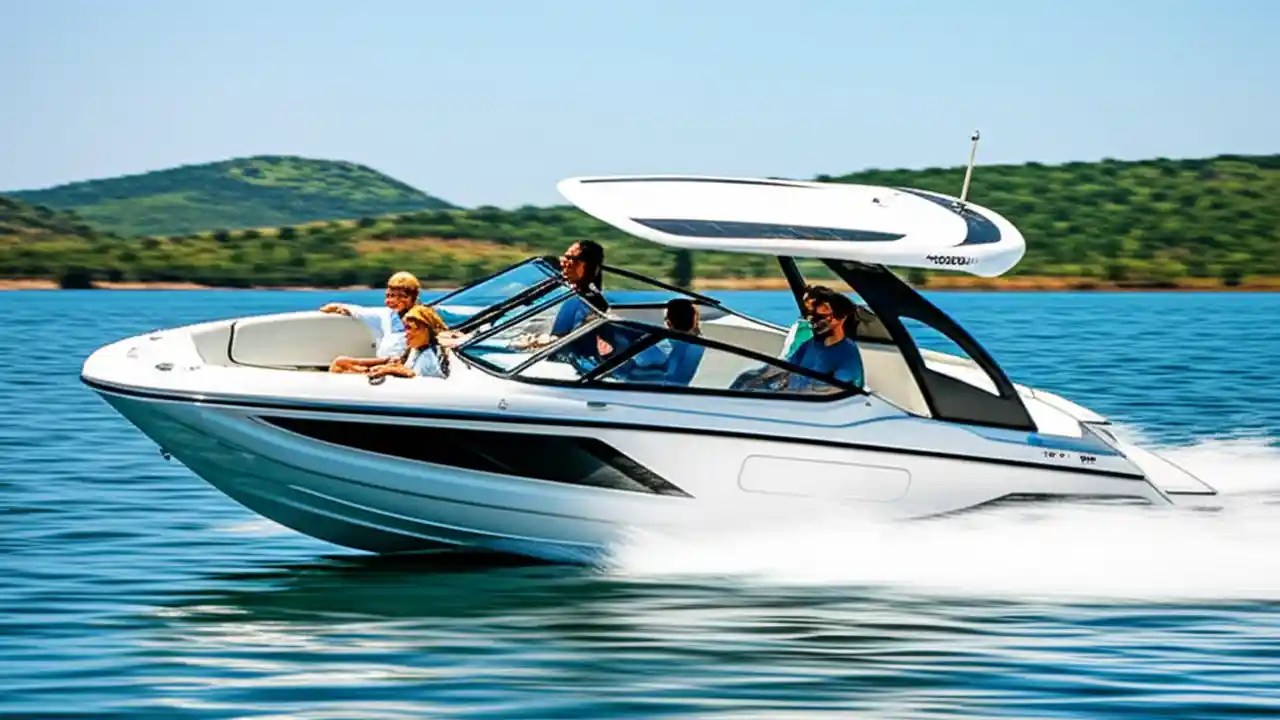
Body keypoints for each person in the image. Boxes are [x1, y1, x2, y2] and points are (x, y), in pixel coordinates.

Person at [323, 271, 419, 374]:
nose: (388, 301)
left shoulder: (421, 318)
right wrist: (339, 307)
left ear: (409, 298)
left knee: (339, 364)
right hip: (386, 361)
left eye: (394, 296)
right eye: (388, 296)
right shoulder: (386, 314)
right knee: (340, 363)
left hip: (403, 364)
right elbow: (360, 311)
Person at [603, 298, 706, 386]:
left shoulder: (656, 349)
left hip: (644, 388)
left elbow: (624, 371)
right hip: (664, 386)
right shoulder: (698, 344)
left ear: (668, 322)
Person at [784, 287, 864, 389]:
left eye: (820, 316)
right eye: (810, 315)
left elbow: (835, 390)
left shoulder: (848, 355)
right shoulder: (809, 345)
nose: (812, 320)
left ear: (841, 317)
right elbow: (785, 371)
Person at [367, 305, 451, 381]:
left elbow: (415, 378)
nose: (406, 333)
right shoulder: (419, 350)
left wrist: (390, 370)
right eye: (405, 328)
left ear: (424, 329)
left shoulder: (429, 358)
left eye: (409, 328)